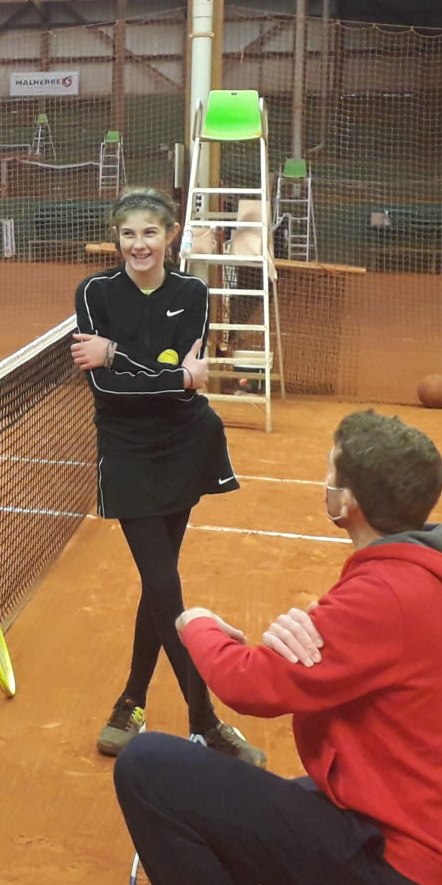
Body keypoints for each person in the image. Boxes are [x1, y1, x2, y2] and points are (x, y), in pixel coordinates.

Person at [114, 410, 442, 885]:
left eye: (331, 472)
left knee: (147, 768)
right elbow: (347, 657)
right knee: (257, 796)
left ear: (349, 505)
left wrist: (195, 623)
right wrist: (322, 631)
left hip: (405, 870)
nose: (325, 482)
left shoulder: (385, 594)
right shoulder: (426, 571)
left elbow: (248, 684)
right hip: (433, 847)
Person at [71, 188, 265, 766]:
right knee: (163, 582)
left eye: (149, 234)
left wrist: (123, 359)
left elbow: (186, 378)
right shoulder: (94, 293)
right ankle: (204, 721)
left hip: (185, 443)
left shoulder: (192, 292)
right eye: (128, 234)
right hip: (128, 449)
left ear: (170, 235)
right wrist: (169, 377)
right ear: (117, 238)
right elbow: (106, 387)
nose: (139, 245)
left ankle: (132, 700)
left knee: (161, 584)